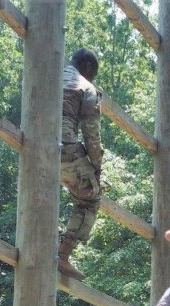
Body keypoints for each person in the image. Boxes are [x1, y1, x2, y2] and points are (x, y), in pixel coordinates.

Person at [57, 48, 104, 281]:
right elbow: (91, 135)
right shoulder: (86, 87)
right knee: (91, 197)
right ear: (87, 68)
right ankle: (62, 254)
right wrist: (96, 166)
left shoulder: (51, 75)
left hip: (33, 148)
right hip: (63, 148)